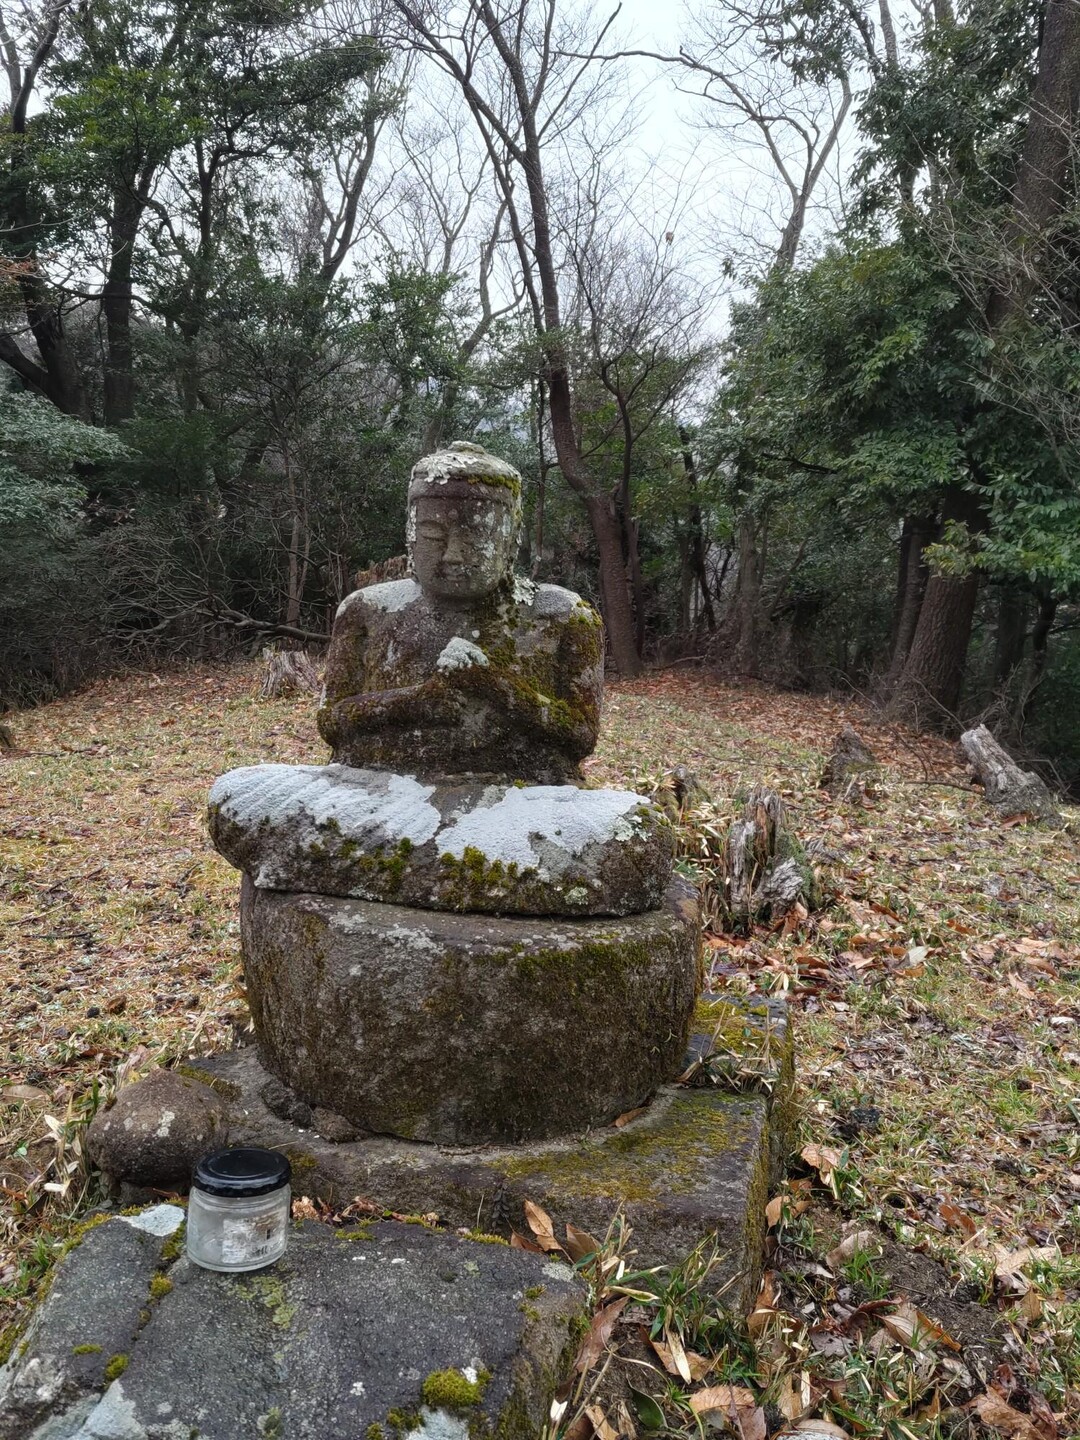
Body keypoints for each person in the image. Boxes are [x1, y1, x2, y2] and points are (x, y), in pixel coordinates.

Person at [317, 442, 604, 784]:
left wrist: (497, 688)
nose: (452, 555)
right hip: (377, 787)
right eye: (432, 534)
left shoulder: (563, 616)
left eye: (474, 535)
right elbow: (331, 721)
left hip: (522, 794)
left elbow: (581, 735)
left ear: (510, 539)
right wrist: (415, 701)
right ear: (411, 534)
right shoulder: (365, 610)